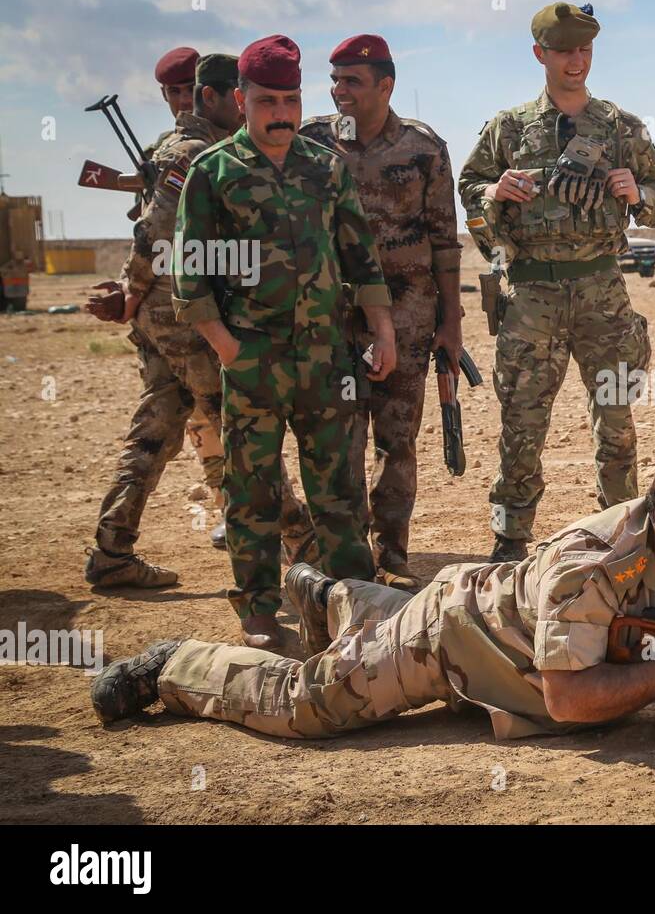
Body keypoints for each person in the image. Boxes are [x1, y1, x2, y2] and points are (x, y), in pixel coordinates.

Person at [91, 442, 655, 740]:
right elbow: (567, 699)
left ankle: (330, 595)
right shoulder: (592, 564)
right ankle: (175, 665)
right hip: (456, 637)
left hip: (506, 633)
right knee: (309, 709)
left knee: (368, 622)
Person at [171, 35, 397, 647]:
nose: (282, 113)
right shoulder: (212, 173)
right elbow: (189, 271)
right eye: (268, 100)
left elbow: (361, 256)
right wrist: (226, 346)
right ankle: (259, 609)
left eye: (291, 100)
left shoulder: (323, 169)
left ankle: (357, 599)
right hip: (253, 360)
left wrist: (381, 330)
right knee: (253, 489)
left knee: (338, 491)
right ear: (242, 100)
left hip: (326, 358)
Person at [84, 53, 317, 590]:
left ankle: (111, 549)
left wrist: (135, 296)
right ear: (208, 97)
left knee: (157, 430)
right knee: (240, 425)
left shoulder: (179, 148)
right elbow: (157, 230)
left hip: (165, 314)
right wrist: (132, 288)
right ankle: (305, 541)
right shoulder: (194, 151)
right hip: (186, 316)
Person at [458, 1, 655, 563]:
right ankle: (510, 543)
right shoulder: (507, 129)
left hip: (602, 291)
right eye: (563, 51)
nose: (576, 61)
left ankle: (623, 533)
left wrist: (638, 193)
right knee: (523, 421)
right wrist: (493, 193)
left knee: (616, 416)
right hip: (531, 295)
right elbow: (470, 193)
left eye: (584, 49)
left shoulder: (622, 126)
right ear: (541, 55)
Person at [300, 33, 462, 592]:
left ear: (385, 86)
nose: (338, 90)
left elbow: (445, 238)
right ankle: (343, 555)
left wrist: (452, 321)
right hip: (333, 313)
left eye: (353, 81)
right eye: (335, 80)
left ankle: (391, 551)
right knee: (339, 436)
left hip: (411, 311)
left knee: (397, 439)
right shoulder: (314, 142)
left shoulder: (423, 147)